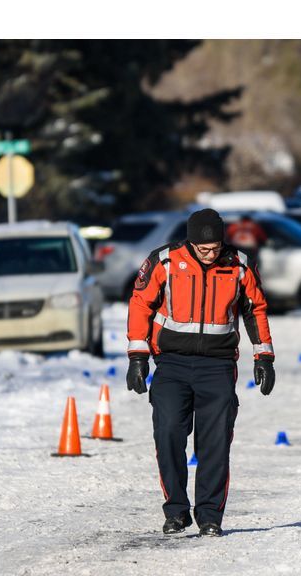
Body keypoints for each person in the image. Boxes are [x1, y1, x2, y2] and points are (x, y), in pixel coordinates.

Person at [126, 208, 275, 537]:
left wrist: (263, 355)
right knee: (168, 434)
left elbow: (255, 308)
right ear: (191, 243)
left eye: (216, 248)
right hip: (172, 363)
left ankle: (209, 515)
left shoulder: (238, 264)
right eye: (204, 249)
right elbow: (140, 303)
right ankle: (176, 510)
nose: (211, 254)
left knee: (215, 442)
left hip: (217, 365)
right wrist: (138, 356)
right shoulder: (164, 261)